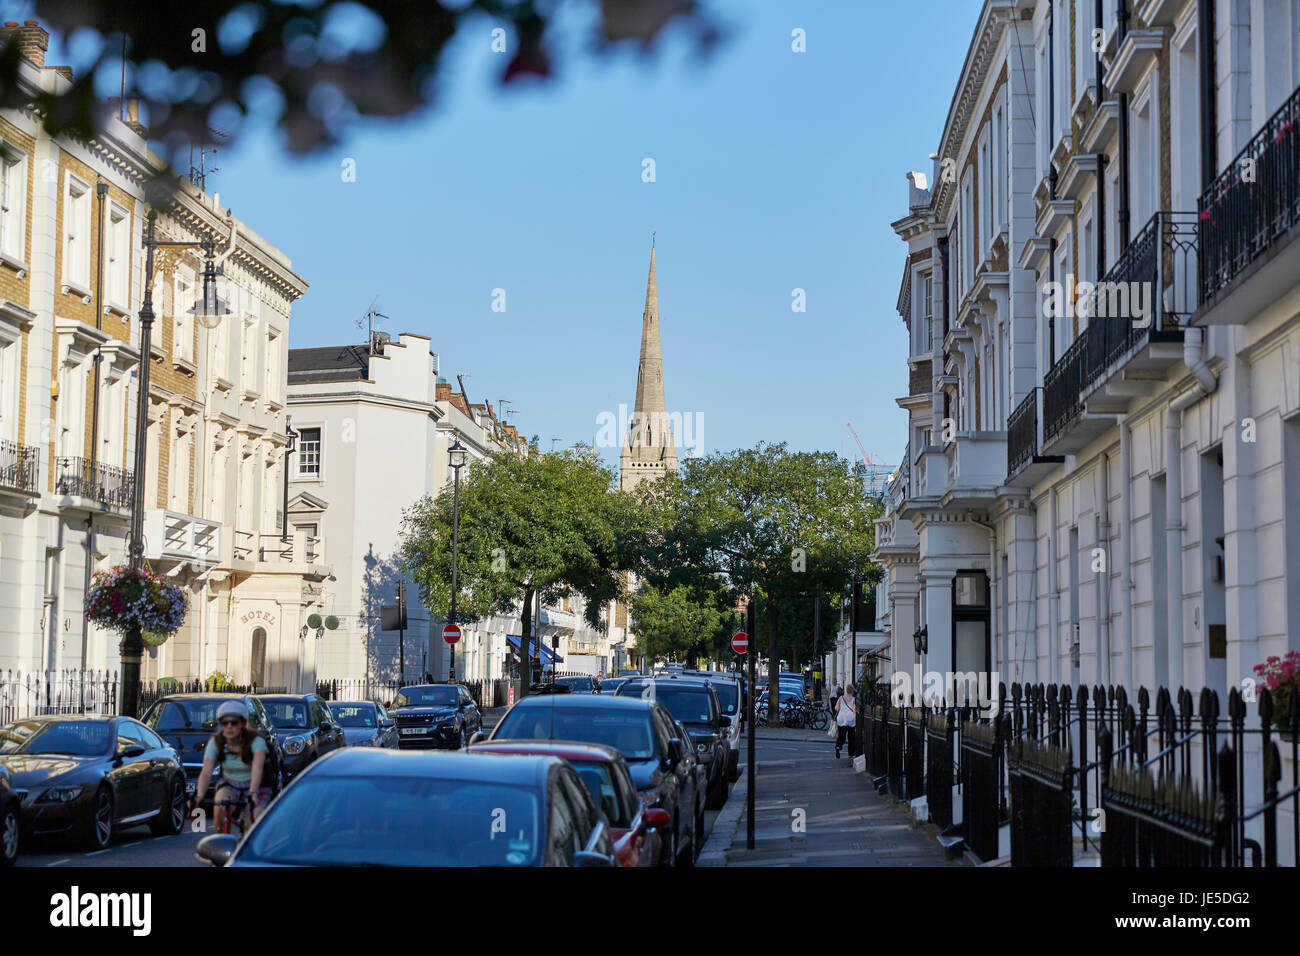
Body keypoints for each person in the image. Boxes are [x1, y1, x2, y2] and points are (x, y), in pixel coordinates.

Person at [190, 700, 270, 831]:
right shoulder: (217, 742)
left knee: (254, 821)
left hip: (256, 785)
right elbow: (206, 771)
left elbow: (257, 769)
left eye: (234, 723)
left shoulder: (256, 741)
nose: (229, 727)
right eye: (225, 723)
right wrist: (199, 795)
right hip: (230, 783)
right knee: (220, 807)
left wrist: (253, 792)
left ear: (243, 724)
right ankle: (221, 840)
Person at [834, 683, 857, 759]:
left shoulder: (841, 697)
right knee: (851, 737)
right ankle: (851, 753)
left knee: (841, 735)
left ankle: (838, 746)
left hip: (841, 718)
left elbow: (836, 708)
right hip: (850, 719)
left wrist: (842, 707)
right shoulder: (853, 699)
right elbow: (854, 710)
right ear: (852, 691)